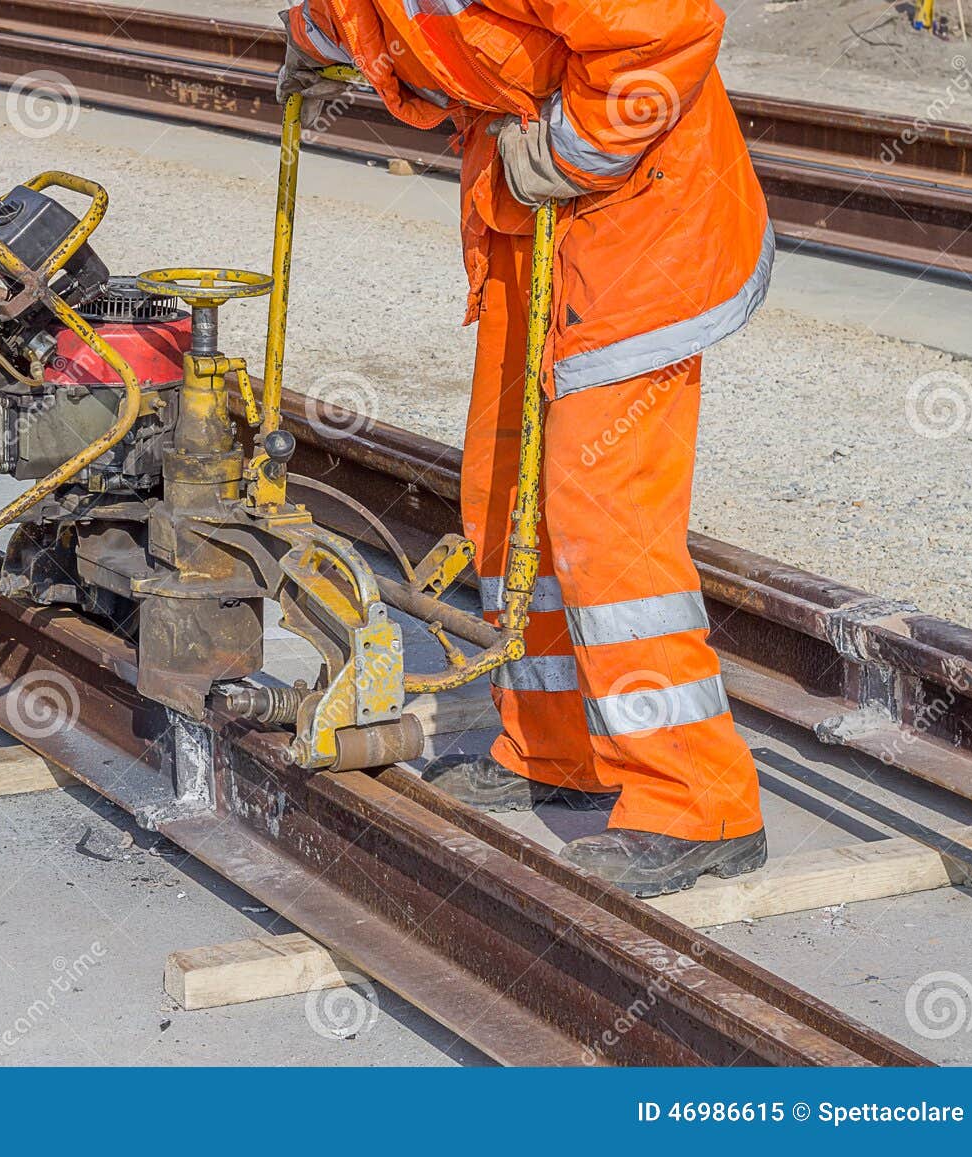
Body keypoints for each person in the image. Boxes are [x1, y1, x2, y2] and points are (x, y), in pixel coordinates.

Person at [278, 0, 771, 896]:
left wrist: (574, 149)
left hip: (638, 230)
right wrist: (310, 39)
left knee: (601, 517)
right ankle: (552, 745)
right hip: (529, 219)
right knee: (507, 493)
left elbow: (663, 30)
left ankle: (699, 799)